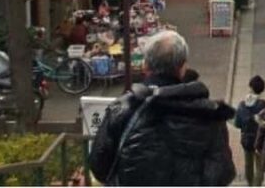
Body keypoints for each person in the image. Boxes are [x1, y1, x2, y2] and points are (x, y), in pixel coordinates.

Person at [89, 31, 236, 186]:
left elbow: (99, 166)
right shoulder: (209, 115)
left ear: (145, 65)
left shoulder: (124, 109)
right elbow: (222, 173)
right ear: (183, 67)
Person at [234, 76, 265, 187]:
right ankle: (257, 185)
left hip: (246, 139)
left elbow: (237, 124)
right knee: (260, 166)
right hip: (260, 139)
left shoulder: (242, 104)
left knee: (248, 164)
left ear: (251, 87)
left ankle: (250, 184)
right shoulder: (264, 105)